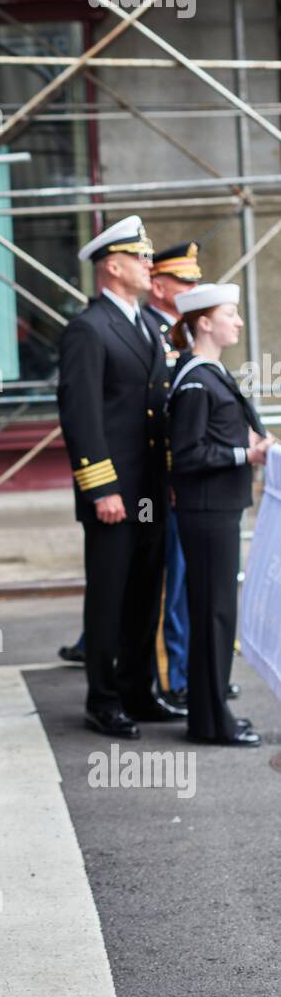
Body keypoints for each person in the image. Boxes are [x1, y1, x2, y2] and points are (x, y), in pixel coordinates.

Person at [58, 215, 183, 737]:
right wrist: (101, 487)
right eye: (139, 257)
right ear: (112, 265)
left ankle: (139, 688)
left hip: (151, 489)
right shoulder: (89, 328)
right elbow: (81, 415)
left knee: (145, 594)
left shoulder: (147, 325)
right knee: (109, 597)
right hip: (113, 490)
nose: (149, 265)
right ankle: (103, 698)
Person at [167, 283, 274, 746]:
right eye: (231, 313)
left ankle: (212, 717)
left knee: (217, 613)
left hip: (218, 509)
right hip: (206, 511)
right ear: (204, 323)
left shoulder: (208, 372)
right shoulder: (195, 378)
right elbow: (186, 454)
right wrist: (243, 455)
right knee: (213, 614)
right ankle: (210, 723)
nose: (239, 321)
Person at [142, 241, 204, 709]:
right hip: (161, 477)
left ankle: (191, 673)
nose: (192, 289)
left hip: (186, 479)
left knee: (190, 582)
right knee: (170, 585)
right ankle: (173, 678)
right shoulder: (151, 330)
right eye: (184, 282)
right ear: (159, 285)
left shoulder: (178, 335)